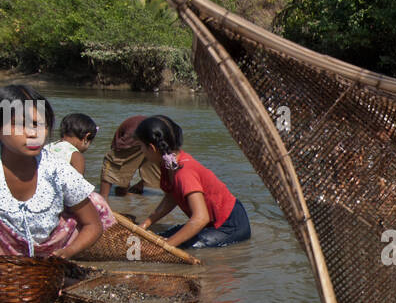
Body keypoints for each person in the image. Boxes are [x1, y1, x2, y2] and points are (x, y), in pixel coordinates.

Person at [0, 85, 114, 258]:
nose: (34, 134)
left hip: (46, 265)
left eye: (41, 125)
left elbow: (93, 225)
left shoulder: (57, 170)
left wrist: (65, 253)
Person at [135, 115, 251, 249]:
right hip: (212, 223)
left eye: (141, 147)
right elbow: (172, 197)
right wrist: (146, 224)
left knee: (180, 246)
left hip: (230, 225)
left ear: (152, 148)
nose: (141, 152)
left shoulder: (184, 172)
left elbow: (201, 218)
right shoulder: (169, 163)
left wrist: (165, 247)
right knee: (160, 236)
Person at [98, 114, 163, 197]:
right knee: (154, 163)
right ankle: (138, 187)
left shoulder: (132, 135)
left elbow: (118, 158)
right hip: (155, 132)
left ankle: (103, 197)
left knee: (112, 163)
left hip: (136, 132)